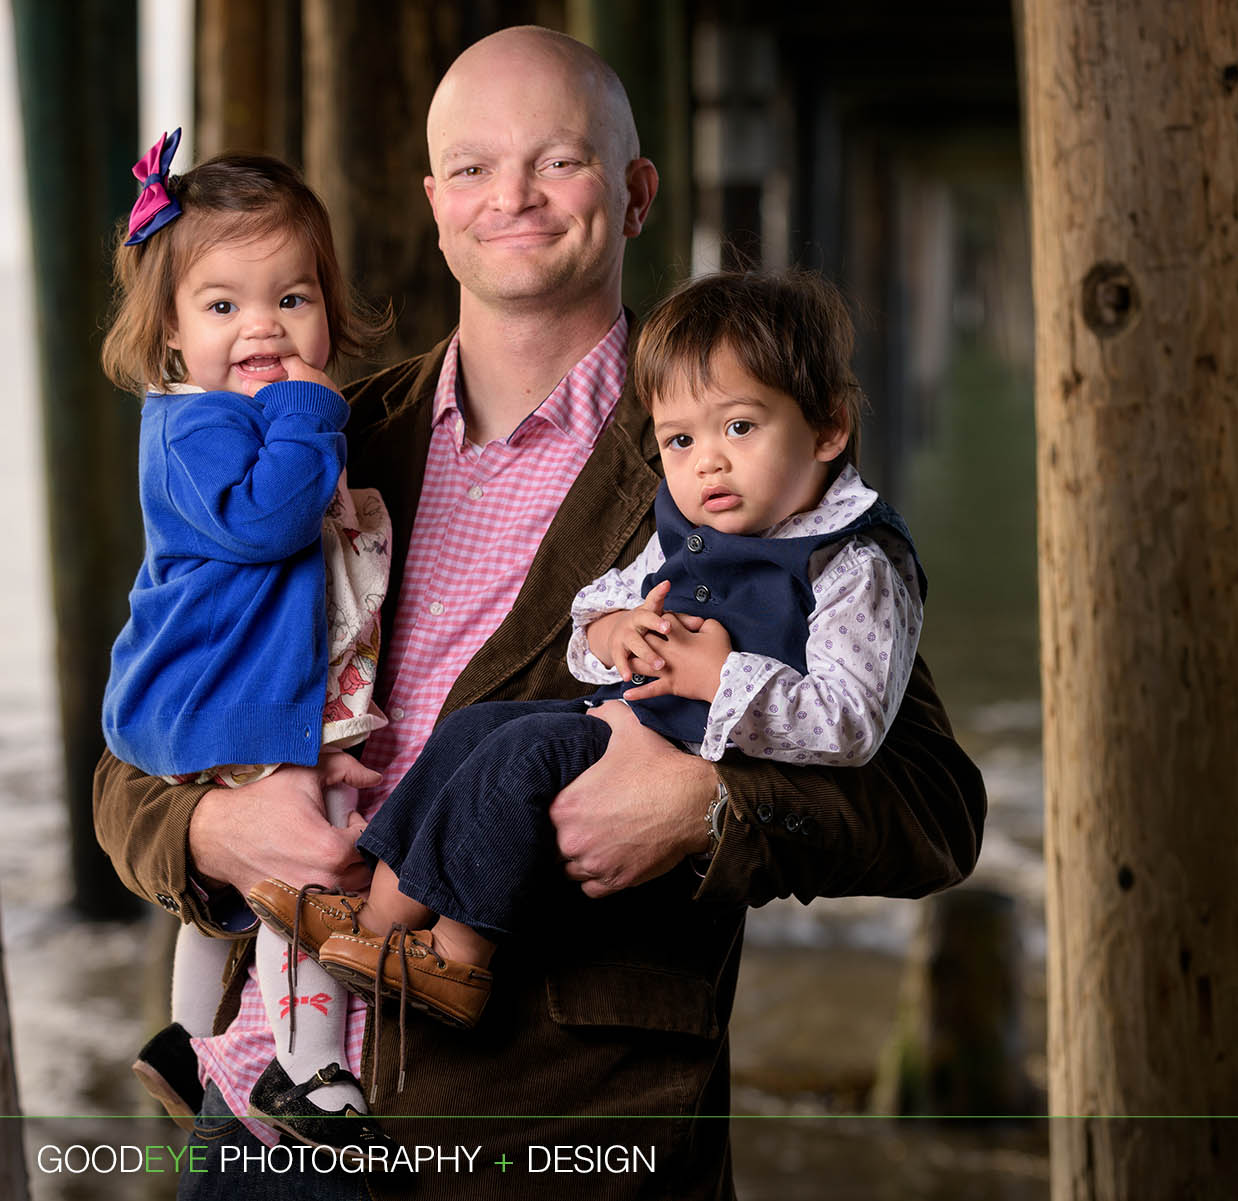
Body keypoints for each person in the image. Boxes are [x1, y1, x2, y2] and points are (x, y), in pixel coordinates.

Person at [92, 24, 983, 1201]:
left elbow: (932, 805)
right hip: (258, 1124)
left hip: (551, 1142)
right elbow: (134, 753)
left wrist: (706, 807)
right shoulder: (315, 443)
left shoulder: (731, 456)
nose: (510, 195)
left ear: (635, 191)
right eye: (472, 167)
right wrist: (214, 836)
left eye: (556, 160)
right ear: (434, 200)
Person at [247, 270, 925, 1047]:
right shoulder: (688, 524)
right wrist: (616, 633)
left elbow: (858, 724)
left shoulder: (851, 562)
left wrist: (716, 702)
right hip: (623, 710)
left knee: (524, 761)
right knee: (475, 729)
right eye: (680, 440)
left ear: (829, 428)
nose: (708, 463)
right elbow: (602, 601)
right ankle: (376, 913)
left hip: (667, 753)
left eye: (740, 428)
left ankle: (459, 954)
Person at [96, 134, 395, 1155]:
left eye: (293, 298)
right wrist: (311, 405)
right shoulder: (200, 426)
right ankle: (309, 1068)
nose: (262, 326)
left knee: (222, 899)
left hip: (218, 689)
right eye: (223, 305)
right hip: (216, 696)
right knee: (301, 884)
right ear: (171, 333)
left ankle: (188, 1040)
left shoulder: (234, 415)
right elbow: (270, 523)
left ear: (327, 302)